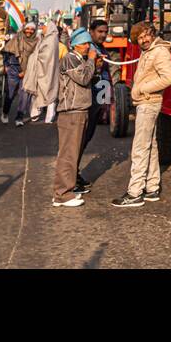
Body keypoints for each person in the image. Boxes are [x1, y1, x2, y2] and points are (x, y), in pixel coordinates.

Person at [112, 22, 171, 208]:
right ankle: (152, 188)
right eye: (140, 37)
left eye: (147, 35)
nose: (144, 39)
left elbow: (167, 78)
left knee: (140, 148)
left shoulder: (159, 52)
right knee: (150, 146)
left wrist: (142, 90)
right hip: (147, 102)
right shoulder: (149, 51)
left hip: (149, 102)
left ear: (153, 34)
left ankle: (134, 193)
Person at [51, 28, 98, 208]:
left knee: (73, 153)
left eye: (88, 43)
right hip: (71, 112)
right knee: (68, 155)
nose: (88, 47)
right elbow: (84, 78)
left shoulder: (79, 59)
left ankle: (69, 189)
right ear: (76, 44)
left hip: (79, 110)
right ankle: (62, 194)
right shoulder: (70, 58)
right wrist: (92, 60)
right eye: (85, 43)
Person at [76, 19, 109, 192]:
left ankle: (74, 173)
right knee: (77, 141)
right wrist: (94, 66)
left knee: (86, 139)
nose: (103, 35)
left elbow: (107, 77)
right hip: (85, 103)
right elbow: (83, 76)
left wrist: (105, 102)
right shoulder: (86, 50)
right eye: (100, 31)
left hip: (97, 101)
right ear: (91, 31)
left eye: (105, 32)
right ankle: (71, 177)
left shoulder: (102, 50)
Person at [24, 17, 62, 123]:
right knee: (37, 91)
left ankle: (49, 116)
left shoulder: (52, 39)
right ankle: (35, 114)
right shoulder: (43, 38)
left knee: (49, 92)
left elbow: (47, 55)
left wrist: (35, 56)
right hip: (40, 70)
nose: (43, 29)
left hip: (48, 71)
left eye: (44, 27)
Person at [2, 21, 39, 124]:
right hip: (13, 69)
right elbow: (6, 51)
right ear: (24, 29)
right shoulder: (17, 38)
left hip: (27, 71)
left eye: (32, 29)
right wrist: (6, 66)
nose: (29, 31)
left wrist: (25, 71)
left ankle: (19, 117)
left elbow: (36, 59)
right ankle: (5, 113)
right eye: (28, 28)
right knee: (10, 93)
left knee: (24, 95)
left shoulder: (36, 41)